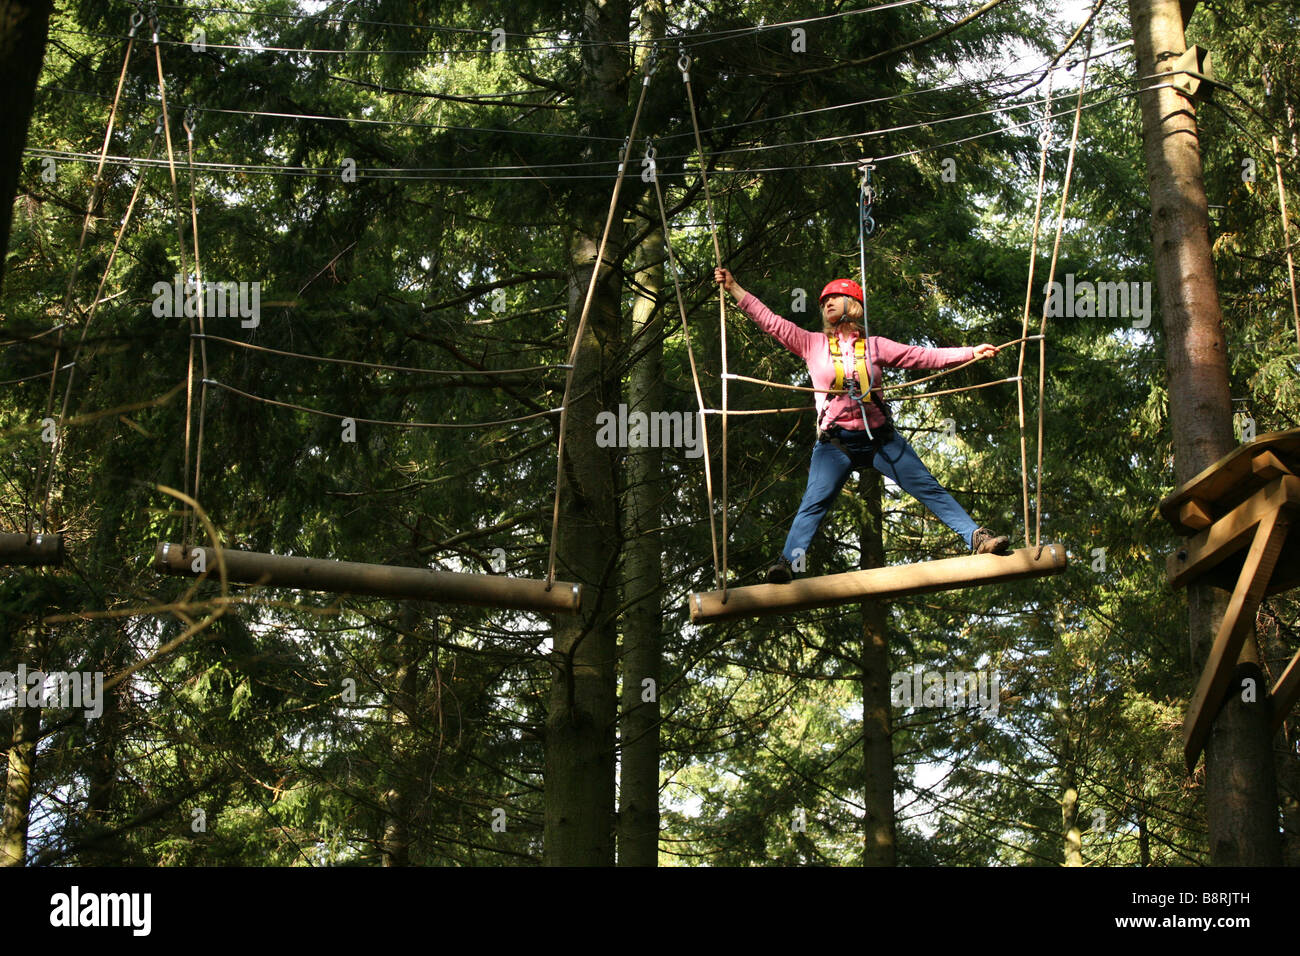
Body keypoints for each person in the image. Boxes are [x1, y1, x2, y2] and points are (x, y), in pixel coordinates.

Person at [713, 267, 1011, 584]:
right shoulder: (810, 344)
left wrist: (970, 353)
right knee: (813, 503)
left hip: (881, 440)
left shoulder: (875, 347)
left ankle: (976, 538)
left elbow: (922, 356)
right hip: (834, 444)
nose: (826, 303)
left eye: (834, 298)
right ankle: (787, 563)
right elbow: (770, 322)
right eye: (823, 300)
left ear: (852, 305)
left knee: (927, 487)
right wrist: (734, 288)